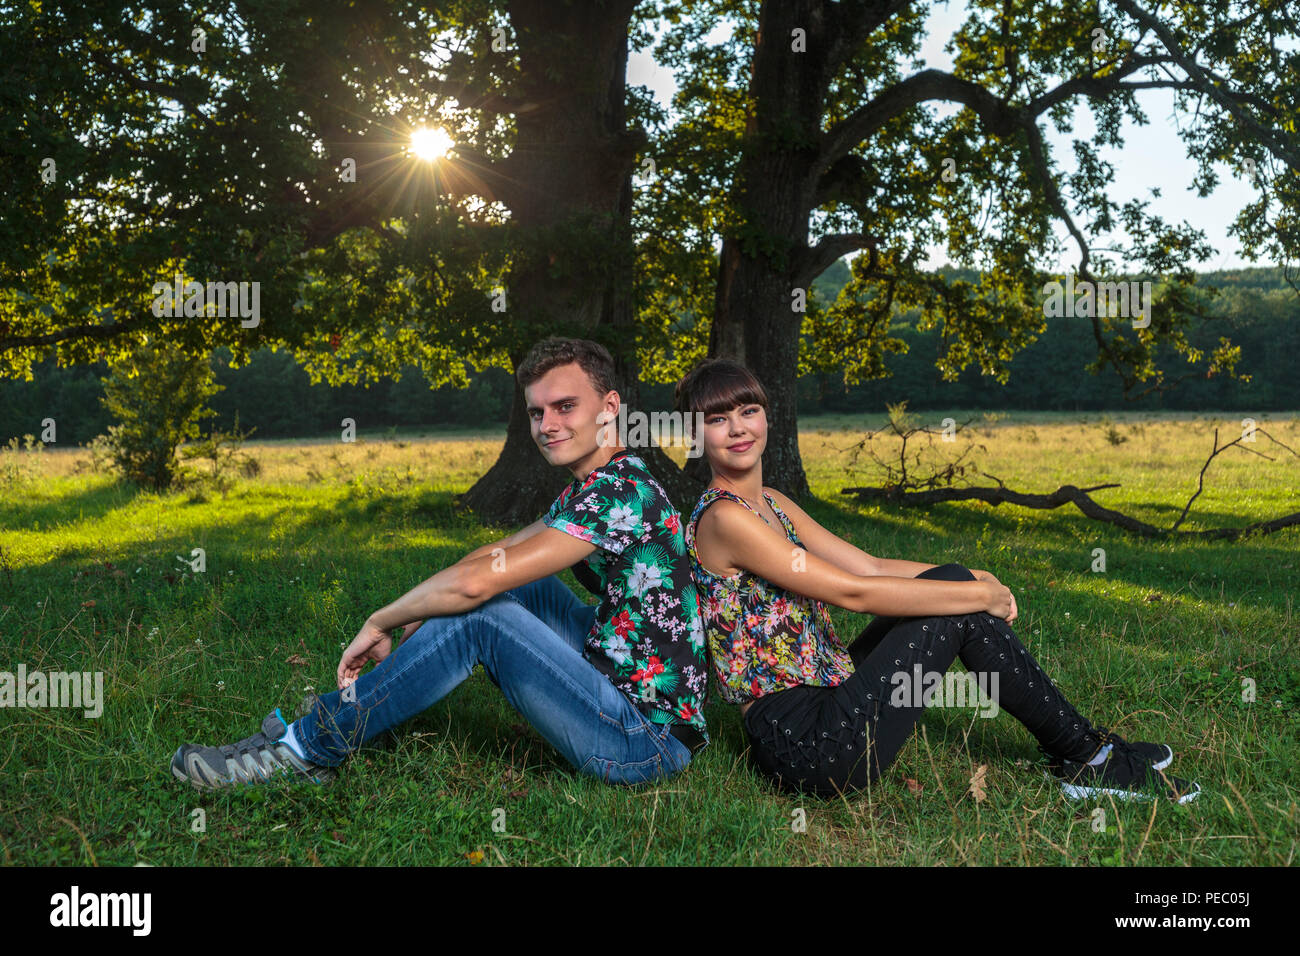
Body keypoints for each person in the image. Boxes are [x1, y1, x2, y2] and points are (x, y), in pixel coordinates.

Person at [170, 338, 709, 789]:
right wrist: (412, 615)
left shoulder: (622, 492)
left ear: (610, 406)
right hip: (622, 676)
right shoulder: (605, 480)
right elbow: (491, 558)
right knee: (524, 589)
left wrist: (382, 619)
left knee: (481, 614)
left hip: (645, 741)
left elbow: (476, 585)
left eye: (565, 406)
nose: (547, 424)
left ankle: (305, 748)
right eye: (536, 411)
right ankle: (371, 699)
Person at [675, 357, 1199, 803]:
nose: (739, 428)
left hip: (828, 694)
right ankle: (1088, 756)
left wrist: (969, 576)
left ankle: (1085, 748)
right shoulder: (725, 518)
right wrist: (979, 596)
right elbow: (850, 593)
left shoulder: (770, 502)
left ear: (768, 415)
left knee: (947, 582)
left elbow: (869, 567)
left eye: (749, 411)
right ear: (696, 436)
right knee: (955, 609)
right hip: (807, 744)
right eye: (718, 419)